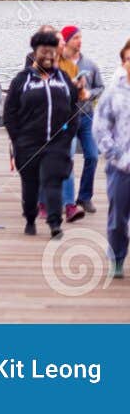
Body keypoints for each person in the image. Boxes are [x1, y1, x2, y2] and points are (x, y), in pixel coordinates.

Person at [4, 29, 77, 238]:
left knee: (53, 181)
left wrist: (67, 136)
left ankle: (55, 223)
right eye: (43, 52)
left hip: (56, 143)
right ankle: (30, 217)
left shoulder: (63, 79)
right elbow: (9, 112)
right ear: (35, 53)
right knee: (31, 184)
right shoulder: (22, 80)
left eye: (52, 52)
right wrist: (17, 139)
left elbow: (74, 109)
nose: (48, 56)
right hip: (28, 143)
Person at [92, 35, 130, 279]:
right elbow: (100, 128)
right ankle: (116, 256)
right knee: (118, 218)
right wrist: (115, 154)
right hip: (121, 167)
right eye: (128, 59)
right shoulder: (114, 93)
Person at [60, 25, 104, 222]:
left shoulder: (90, 64)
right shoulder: (59, 64)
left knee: (93, 156)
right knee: (67, 158)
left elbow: (100, 87)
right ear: (67, 41)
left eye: (80, 37)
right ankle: (68, 202)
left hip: (87, 117)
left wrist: (89, 94)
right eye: (76, 37)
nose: (80, 41)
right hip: (67, 117)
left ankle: (84, 197)